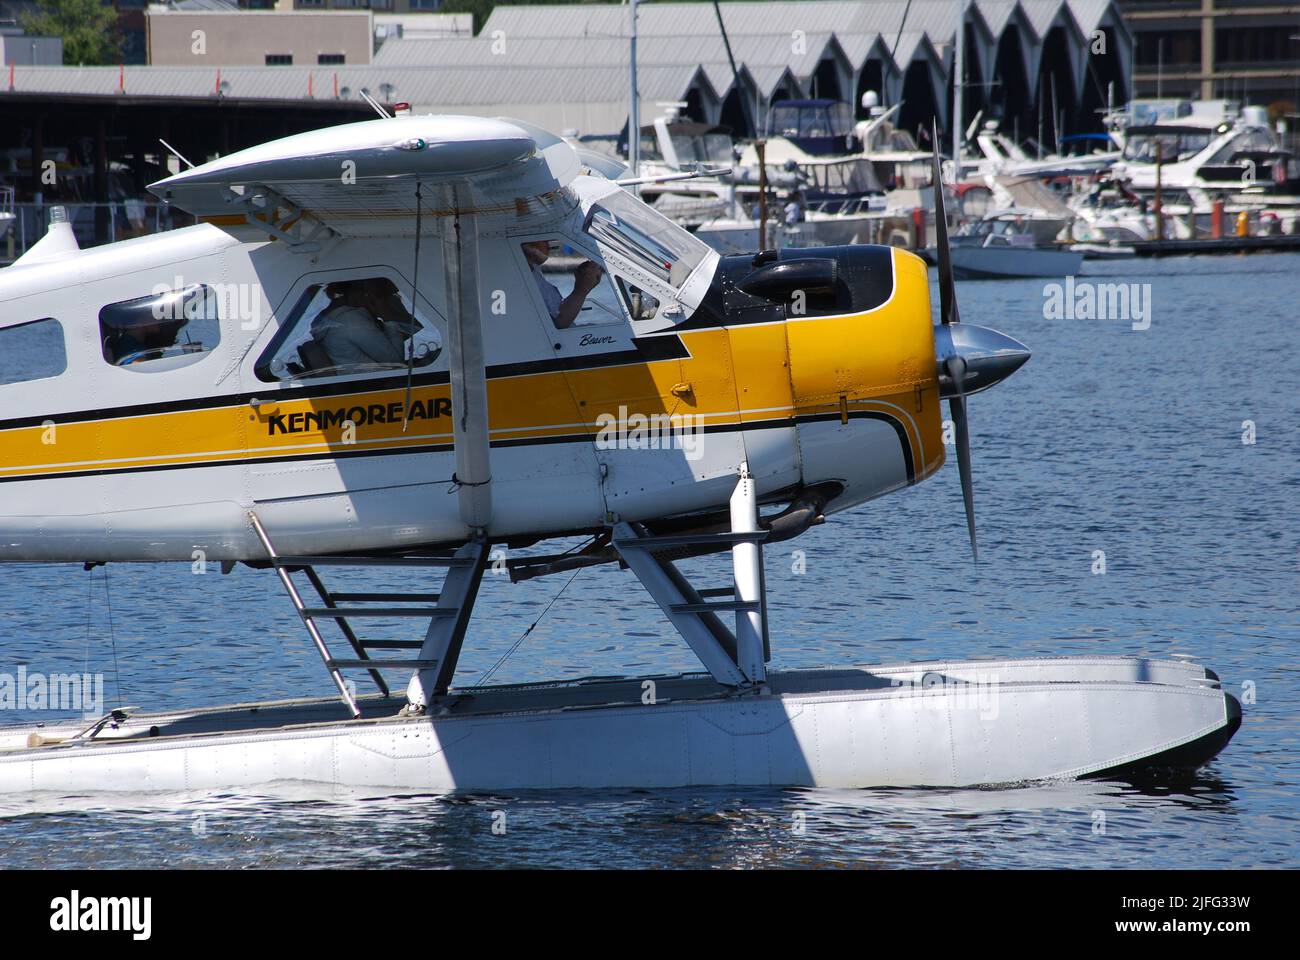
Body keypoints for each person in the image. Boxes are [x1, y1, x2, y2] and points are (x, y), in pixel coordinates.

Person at [309, 279, 415, 370]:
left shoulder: (335, 319)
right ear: (366, 293)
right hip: (377, 385)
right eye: (382, 295)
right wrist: (388, 318)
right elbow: (396, 362)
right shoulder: (352, 322)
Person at [521, 240, 603, 329]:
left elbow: (557, 314)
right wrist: (582, 289)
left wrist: (582, 283)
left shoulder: (534, 272)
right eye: (544, 241)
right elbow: (556, 325)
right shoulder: (521, 279)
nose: (548, 245)